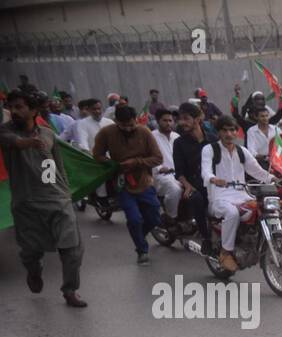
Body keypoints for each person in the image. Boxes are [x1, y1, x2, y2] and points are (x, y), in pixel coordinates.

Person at [0, 89, 86, 307]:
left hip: (57, 199)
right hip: (26, 204)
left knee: (72, 248)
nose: (14, 111)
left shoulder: (47, 134)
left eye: (20, 107)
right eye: (11, 107)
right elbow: (13, 141)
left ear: (34, 110)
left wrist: (65, 191)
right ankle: (33, 271)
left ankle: (70, 290)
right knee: (30, 252)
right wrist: (26, 143)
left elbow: (57, 165)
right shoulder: (5, 132)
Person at [93, 104, 163, 264]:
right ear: (116, 121)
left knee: (154, 218)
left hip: (144, 181)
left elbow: (158, 158)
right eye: (123, 125)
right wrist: (114, 164)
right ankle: (141, 249)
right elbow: (97, 155)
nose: (128, 129)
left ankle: (138, 235)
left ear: (136, 120)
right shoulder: (106, 133)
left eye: (131, 125)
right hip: (122, 183)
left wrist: (136, 162)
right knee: (134, 219)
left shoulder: (144, 132)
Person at [202, 114, 272, 273]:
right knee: (232, 213)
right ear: (219, 132)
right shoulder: (209, 149)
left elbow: (257, 171)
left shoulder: (242, 151)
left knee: (264, 208)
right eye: (224, 130)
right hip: (219, 197)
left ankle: (258, 241)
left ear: (236, 132)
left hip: (242, 195)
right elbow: (205, 170)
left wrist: (275, 178)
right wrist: (213, 179)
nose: (228, 134)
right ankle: (225, 252)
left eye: (232, 130)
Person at [173, 102, 217, 254]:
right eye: (181, 119)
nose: (182, 123)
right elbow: (179, 172)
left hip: (213, 183)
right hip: (193, 185)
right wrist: (187, 185)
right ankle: (205, 238)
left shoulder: (213, 139)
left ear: (198, 119)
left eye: (186, 119)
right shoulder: (179, 143)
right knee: (197, 199)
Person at [150, 109, 183, 221]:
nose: (168, 123)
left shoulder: (177, 136)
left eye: (170, 120)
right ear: (158, 121)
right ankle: (171, 217)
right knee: (175, 189)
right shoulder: (151, 137)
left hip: (179, 174)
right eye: (165, 120)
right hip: (161, 176)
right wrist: (159, 168)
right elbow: (148, 156)